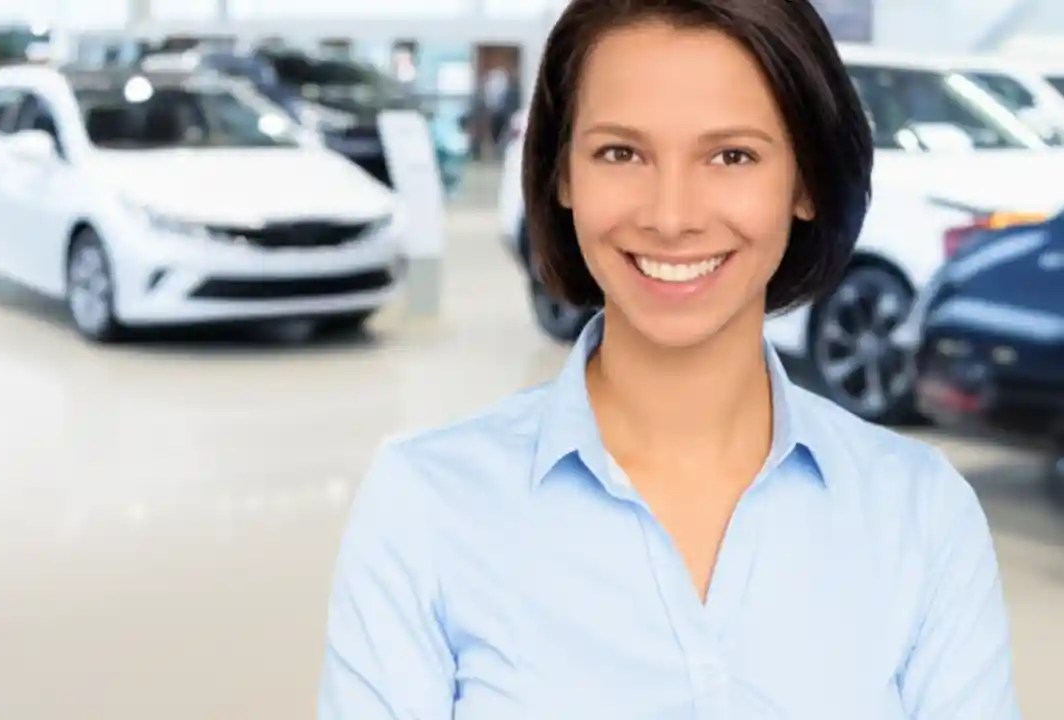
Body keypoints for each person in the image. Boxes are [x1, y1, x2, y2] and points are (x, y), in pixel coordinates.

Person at [318, 1, 1019, 718]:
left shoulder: (920, 514)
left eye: (731, 156)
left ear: (804, 181)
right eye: (621, 153)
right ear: (562, 175)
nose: (672, 215)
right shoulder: (425, 506)